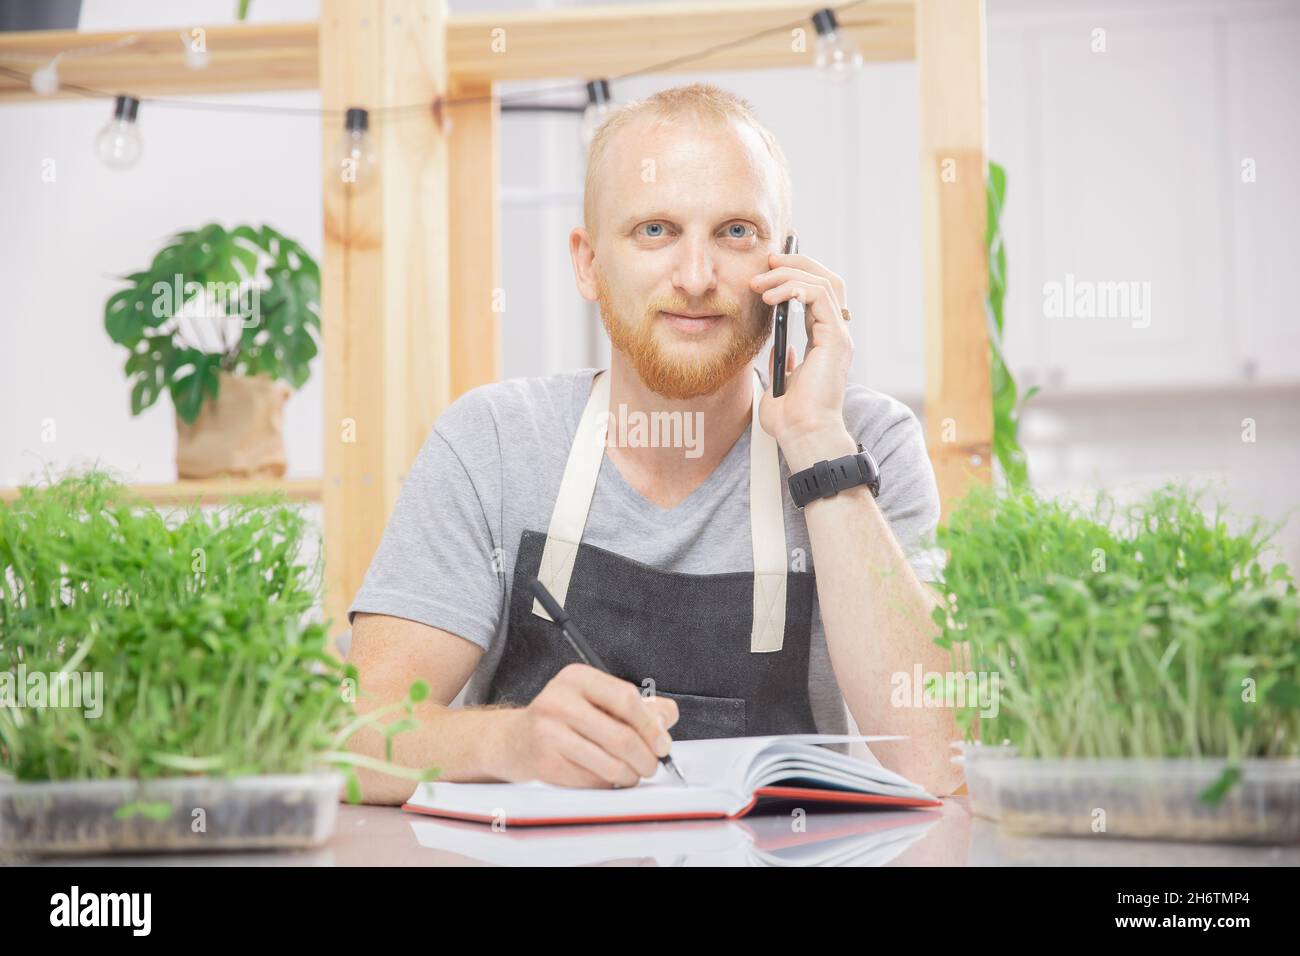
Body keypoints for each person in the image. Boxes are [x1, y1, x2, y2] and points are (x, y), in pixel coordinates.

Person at [345, 82, 961, 804]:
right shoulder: (494, 444)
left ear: (787, 266)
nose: (696, 278)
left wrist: (818, 444)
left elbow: (936, 760)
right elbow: (353, 740)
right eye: (655, 231)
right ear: (588, 263)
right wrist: (509, 742)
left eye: (736, 232)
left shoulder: (867, 444)